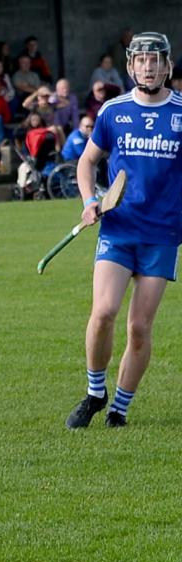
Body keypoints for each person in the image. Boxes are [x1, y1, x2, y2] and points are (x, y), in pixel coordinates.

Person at [65, 32, 182, 429]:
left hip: (161, 236)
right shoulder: (114, 112)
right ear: (130, 66)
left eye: (156, 60)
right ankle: (95, 393)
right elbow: (87, 163)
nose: (148, 67)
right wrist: (88, 201)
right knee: (104, 312)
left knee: (138, 326)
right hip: (118, 228)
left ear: (167, 65)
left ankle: (120, 410)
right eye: (141, 60)